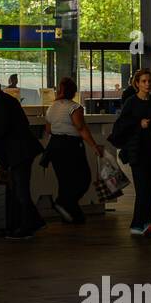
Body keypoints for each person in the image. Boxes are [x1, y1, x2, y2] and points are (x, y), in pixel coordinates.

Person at [0, 73, 42, 240]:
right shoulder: (7, 100)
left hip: (19, 153)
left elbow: (0, 131)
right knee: (19, 188)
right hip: (23, 151)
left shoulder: (2, 103)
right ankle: (32, 222)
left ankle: (27, 227)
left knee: (20, 190)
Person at [41, 76, 104, 224]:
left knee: (64, 181)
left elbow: (48, 129)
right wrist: (94, 146)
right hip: (72, 147)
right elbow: (81, 128)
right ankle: (62, 203)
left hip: (55, 147)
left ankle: (70, 214)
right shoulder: (74, 108)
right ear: (73, 91)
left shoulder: (51, 107)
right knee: (83, 179)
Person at [110, 69, 151, 236]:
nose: (147, 84)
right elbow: (120, 125)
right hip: (137, 150)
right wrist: (138, 123)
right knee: (143, 188)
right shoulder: (131, 103)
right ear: (137, 83)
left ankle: (146, 221)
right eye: (144, 81)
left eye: (149, 81)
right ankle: (138, 223)